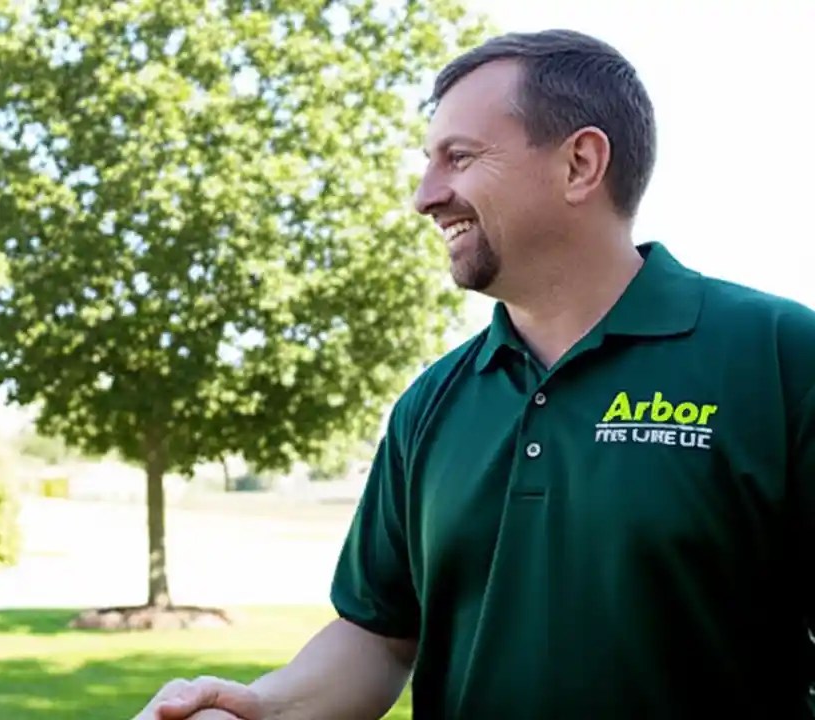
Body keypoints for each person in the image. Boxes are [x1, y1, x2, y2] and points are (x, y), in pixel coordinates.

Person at [135, 27, 815, 720]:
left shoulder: (779, 357)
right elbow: (381, 638)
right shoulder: (432, 402)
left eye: (458, 158)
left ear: (580, 164)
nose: (425, 196)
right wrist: (258, 709)